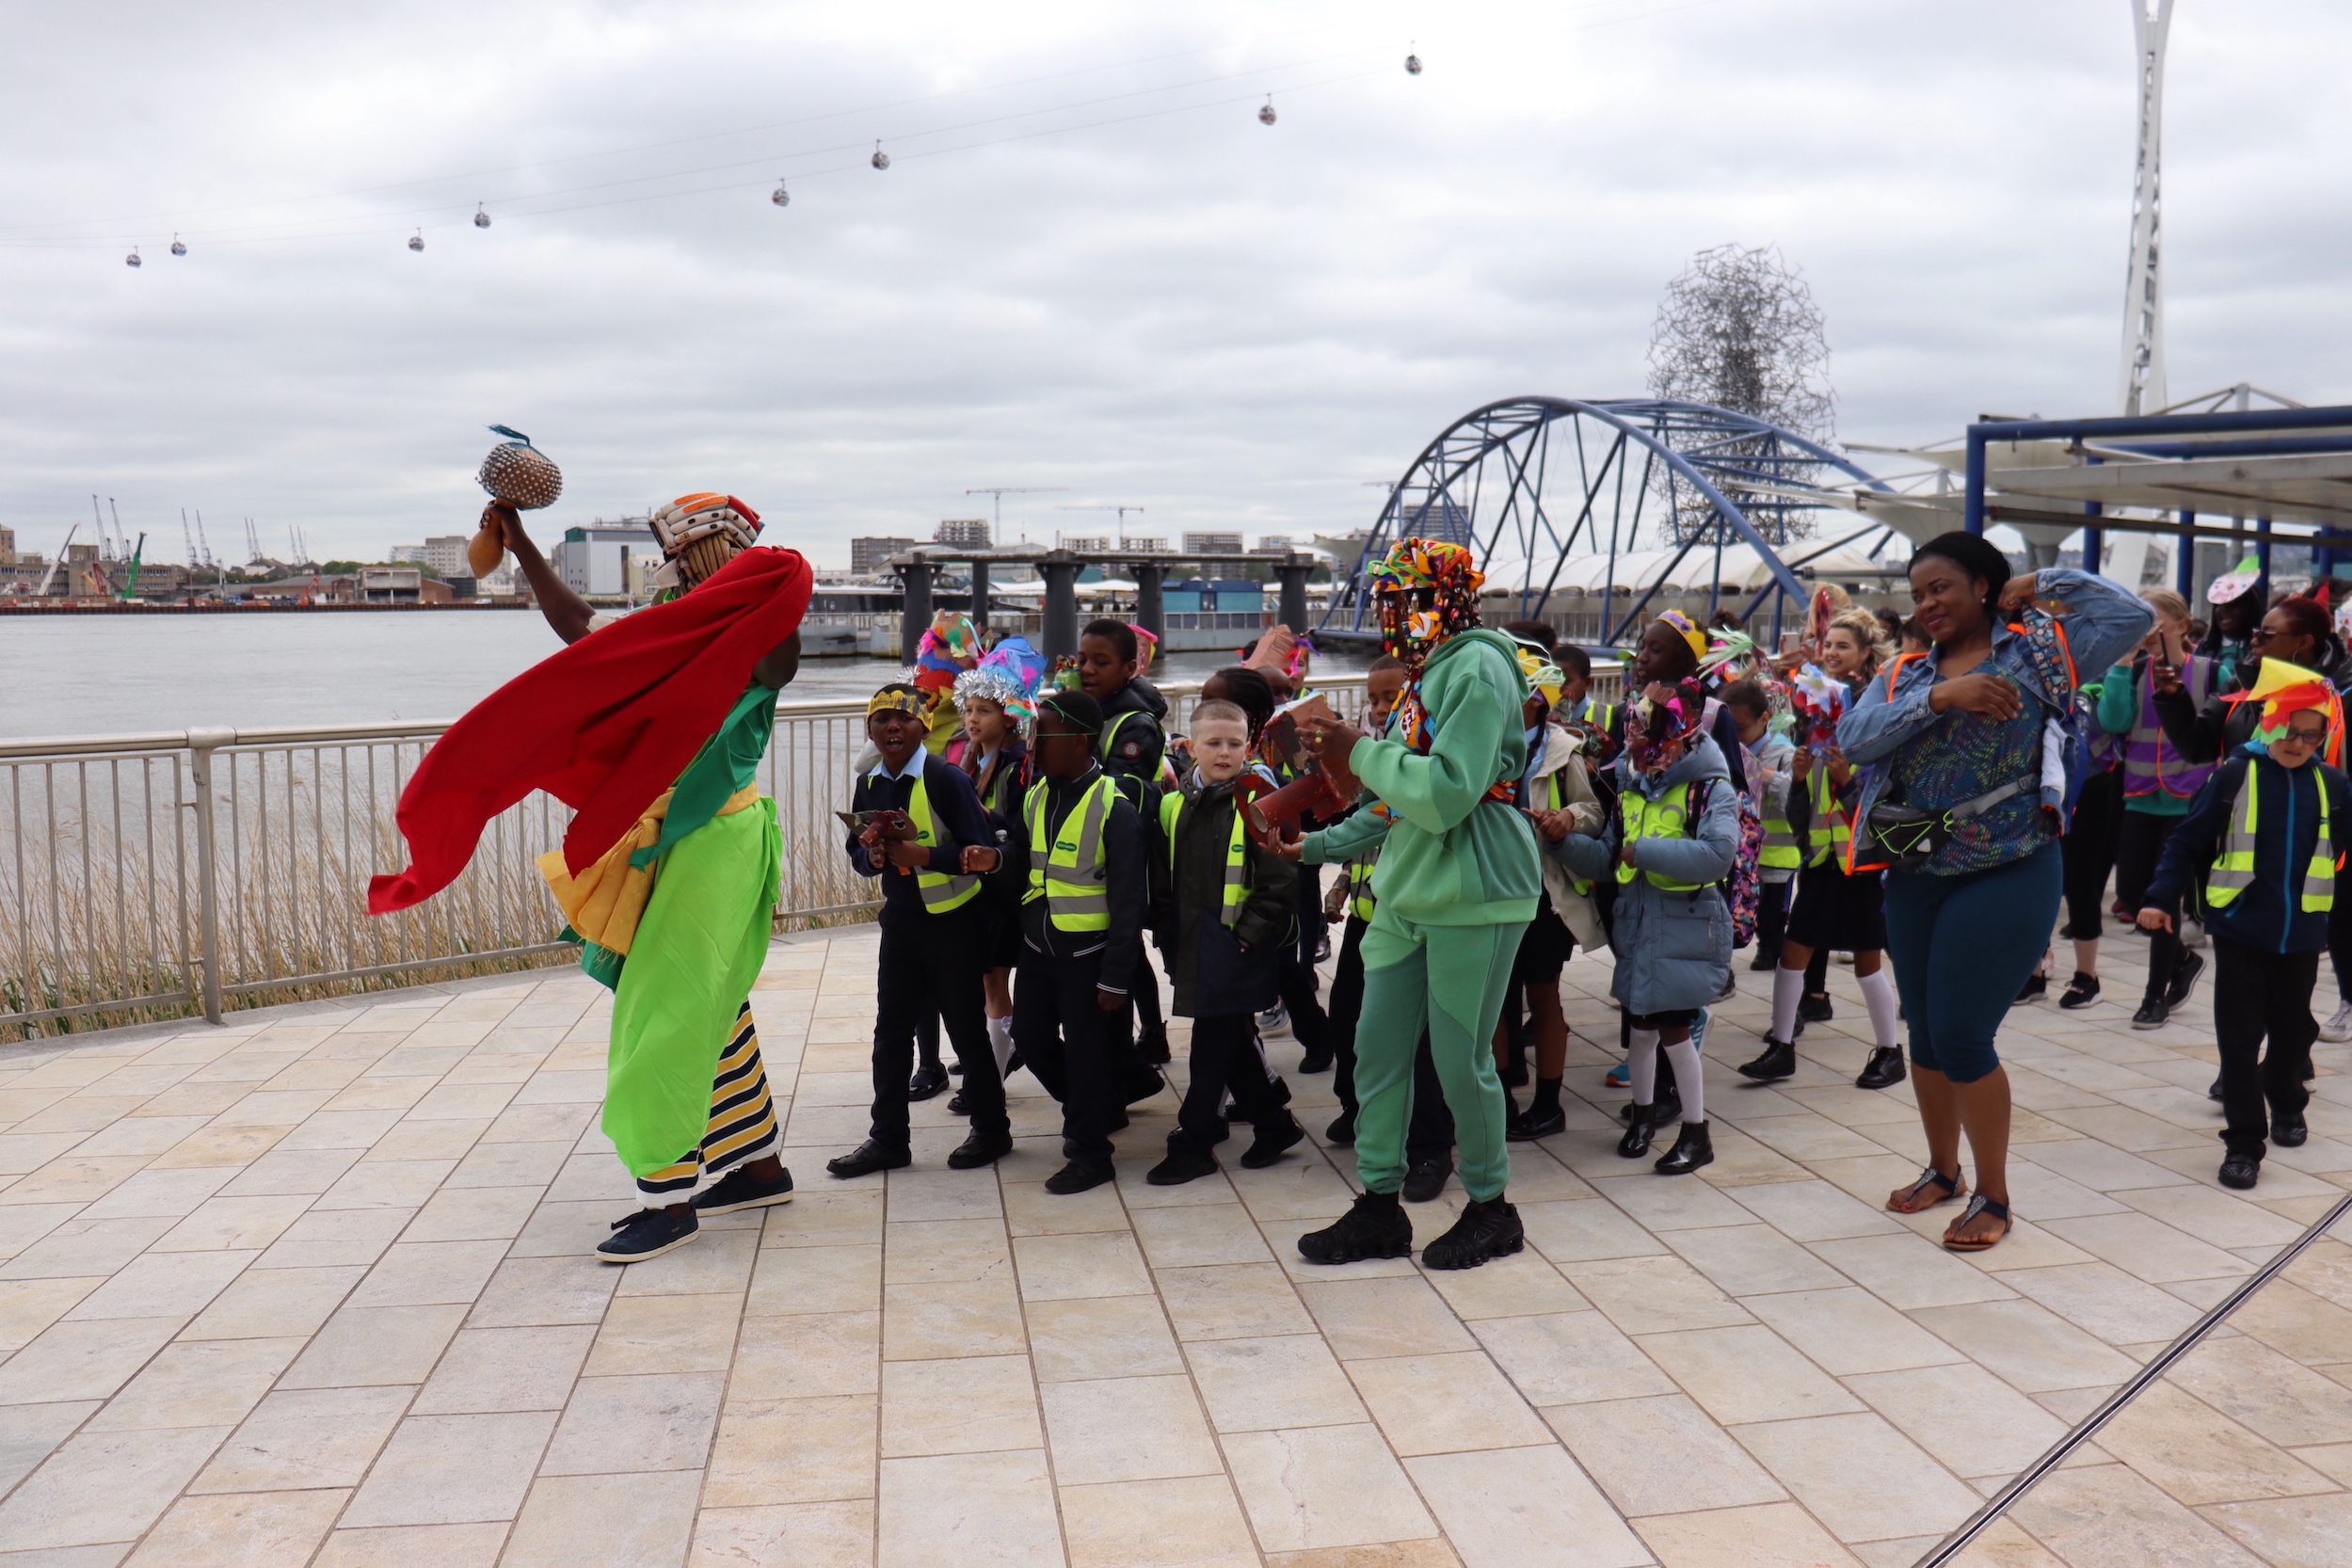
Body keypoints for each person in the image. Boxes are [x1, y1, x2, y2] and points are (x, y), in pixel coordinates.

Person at [424, 492, 808, 1263]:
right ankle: (758, 1165)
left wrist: (740, 561)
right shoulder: (673, 628)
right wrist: (523, 543)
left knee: (661, 1013)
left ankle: (666, 1199)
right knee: (708, 1005)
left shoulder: (762, 630)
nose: (669, 569)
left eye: (678, 554)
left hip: (715, 842)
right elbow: (580, 630)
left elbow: (770, 624)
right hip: (678, 837)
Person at [1841, 532, 2150, 1251]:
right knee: (1922, 1032)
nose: (1927, 604)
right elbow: (1854, 739)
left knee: (1961, 1035)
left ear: (1983, 585)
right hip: (1914, 867)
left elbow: (2130, 616)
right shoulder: (1904, 673)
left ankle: (1994, 1197)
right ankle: (1941, 1172)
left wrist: (2043, 581)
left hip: (2009, 864)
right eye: (1918, 594)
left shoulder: (2041, 655)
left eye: (1941, 587)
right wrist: (1941, 697)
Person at [1286, 537, 1543, 1271]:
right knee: (1377, 1050)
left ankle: (1493, 1210)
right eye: (1383, 598)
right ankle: (1377, 1207)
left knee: (1461, 1062)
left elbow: (1444, 793)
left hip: (1475, 890)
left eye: (1400, 598)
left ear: (1444, 599)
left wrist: (1355, 752)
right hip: (1404, 889)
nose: (1387, 612)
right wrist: (1309, 848)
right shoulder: (1425, 673)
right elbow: (1398, 803)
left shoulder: (1478, 665)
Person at [2136, 664, 2344, 1190]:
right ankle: (2245, 1143)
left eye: (2310, 734)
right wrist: (2161, 896)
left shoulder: (2335, 786)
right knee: (2239, 1036)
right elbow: (2186, 841)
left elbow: (2339, 849)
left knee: (2295, 1032)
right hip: (2240, 928)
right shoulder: (2234, 774)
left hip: (2301, 934)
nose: (2297, 743)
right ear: (2268, 724)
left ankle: (2288, 1100)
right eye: (2288, 731)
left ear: (2323, 736)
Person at [828, 683, 1013, 1178]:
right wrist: (870, 856)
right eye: (882, 718)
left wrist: (924, 857)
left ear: (924, 727)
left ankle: (992, 1129)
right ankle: (888, 1138)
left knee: (965, 1029)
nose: (892, 726)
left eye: (904, 719)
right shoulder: (869, 783)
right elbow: (856, 852)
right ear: (870, 728)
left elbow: (981, 854)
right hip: (903, 922)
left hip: (957, 923)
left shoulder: (944, 777)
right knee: (890, 1032)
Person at [1558, 678, 1739, 1173]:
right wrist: (1558, 838)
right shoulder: (1632, 786)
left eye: (1641, 736)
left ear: (1673, 736)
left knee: (1676, 1030)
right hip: (1639, 928)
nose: (1632, 744)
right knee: (1639, 1027)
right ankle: (1642, 1117)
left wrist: (1646, 851)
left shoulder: (1712, 788)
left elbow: (1719, 855)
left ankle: (1696, 1132)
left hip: (1683, 926)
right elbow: (1606, 858)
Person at [2157, 595, 2352, 1046]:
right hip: (2243, 859)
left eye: (2267, 634)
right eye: (2256, 633)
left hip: (2308, 861)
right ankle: (2242, 1073)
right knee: (2242, 982)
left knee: (2291, 981)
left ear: (2302, 643)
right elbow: (2197, 747)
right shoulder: (2243, 694)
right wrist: (2174, 699)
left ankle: (2289, 1070)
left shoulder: (2332, 703)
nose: (2254, 640)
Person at [1145, 698, 1308, 1183]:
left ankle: (1192, 1141)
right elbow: (1164, 876)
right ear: (1190, 746)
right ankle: (1274, 1124)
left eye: (1234, 744)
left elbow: (1280, 878)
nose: (1223, 752)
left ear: (1248, 747)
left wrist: (1250, 934)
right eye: (1213, 743)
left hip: (1236, 944)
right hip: (1192, 942)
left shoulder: (1260, 801)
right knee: (1231, 1040)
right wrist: (1167, 934)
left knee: (1210, 1044)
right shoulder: (1175, 804)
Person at [1741, 610, 1902, 1089]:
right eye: (1826, 644)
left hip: (1860, 862)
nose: (1830, 653)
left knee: (1869, 959)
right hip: (1818, 860)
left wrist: (1845, 780)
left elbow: (1883, 808)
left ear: (1864, 657)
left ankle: (1890, 1052)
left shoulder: (1874, 718)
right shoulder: (1812, 718)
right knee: (1795, 951)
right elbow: (1799, 812)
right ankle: (1782, 1045)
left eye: (1842, 647)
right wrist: (1798, 777)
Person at [1003, 689, 1154, 1194]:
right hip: (1040, 949)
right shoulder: (1036, 795)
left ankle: (1090, 1153)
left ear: (1080, 743)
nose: (1035, 743)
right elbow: (1023, 861)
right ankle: (1097, 1106)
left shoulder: (1115, 806)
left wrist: (1117, 976)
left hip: (1088, 955)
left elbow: (1130, 899)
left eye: (1044, 734)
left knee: (1087, 1053)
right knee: (1029, 1039)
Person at [1496, 637, 1606, 1140]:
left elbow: (1593, 811)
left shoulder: (1564, 750)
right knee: (1493, 999)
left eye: (1513, 692)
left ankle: (1548, 1102)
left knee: (1543, 995)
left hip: (1543, 895)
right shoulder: (1484, 746)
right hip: (1492, 886)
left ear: (1539, 700)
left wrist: (1566, 816)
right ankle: (1497, 1096)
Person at [1203, 664, 1336, 1070]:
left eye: (1216, 703)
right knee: (1255, 983)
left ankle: (1316, 1037)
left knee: (1283, 975)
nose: (1206, 710)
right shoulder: (1217, 754)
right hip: (1229, 894)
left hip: (1269, 895)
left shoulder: (1262, 765)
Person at [2096, 587, 2216, 1028]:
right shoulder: (2134, 671)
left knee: (2166, 898)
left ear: (2182, 626)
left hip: (2190, 801)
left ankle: (2154, 996)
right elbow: (2113, 721)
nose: (2144, 633)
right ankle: (2183, 960)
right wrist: (2120, 663)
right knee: (2131, 895)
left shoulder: (2212, 674)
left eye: (2152, 622)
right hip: (2141, 794)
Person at [1318, 656, 1409, 1145]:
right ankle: (1354, 1106)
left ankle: (1405, 1121)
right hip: (1363, 917)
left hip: (1402, 921)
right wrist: (1340, 884)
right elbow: (1365, 835)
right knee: (1346, 1015)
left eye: (1389, 698)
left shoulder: (1414, 761)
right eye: (1372, 699)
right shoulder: (1368, 754)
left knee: (1394, 1029)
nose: (1377, 709)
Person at [1078, 618, 1176, 1066]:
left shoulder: (1136, 724)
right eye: (1082, 660)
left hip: (1131, 851)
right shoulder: (1093, 710)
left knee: (1128, 942)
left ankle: (1152, 1032)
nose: (1088, 669)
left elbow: (1127, 789)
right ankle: (1151, 1034)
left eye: (1102, 661)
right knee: (1127, 945)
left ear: (1131, 667)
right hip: (1098, 846)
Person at [953, 664, 1034, 1081]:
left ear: (1007, 717)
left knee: (993, 981)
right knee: (987, 980)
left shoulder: (1018, 766)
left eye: (983, 710)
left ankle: (990, 1077)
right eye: (967, 710)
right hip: (982, 888)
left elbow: (1021, 829)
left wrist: (984, 816)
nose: (972, 719)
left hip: (1005, 887)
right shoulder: (971, 762)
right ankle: (995, 1057)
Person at [2050, 673, 2125, 1009]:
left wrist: (2120, 669)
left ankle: (2087, 977)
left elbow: (2116, 720)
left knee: (2079, 881)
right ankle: (2034, 972)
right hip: (2042, 787)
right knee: (2041, 881)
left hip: (2092, 786)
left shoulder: (2106, 674)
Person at [1723, 679, 1800, 973]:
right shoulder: (1725, 752)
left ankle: (1771, 949)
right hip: (1740, 854)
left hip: (1776, 853)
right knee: (1740, 907)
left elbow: (1796, 799)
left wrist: (1771, 778)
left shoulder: (1783, 754)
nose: (1737, 736)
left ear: (1764, 719)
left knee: (1773, 913)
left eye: (1741, 728)